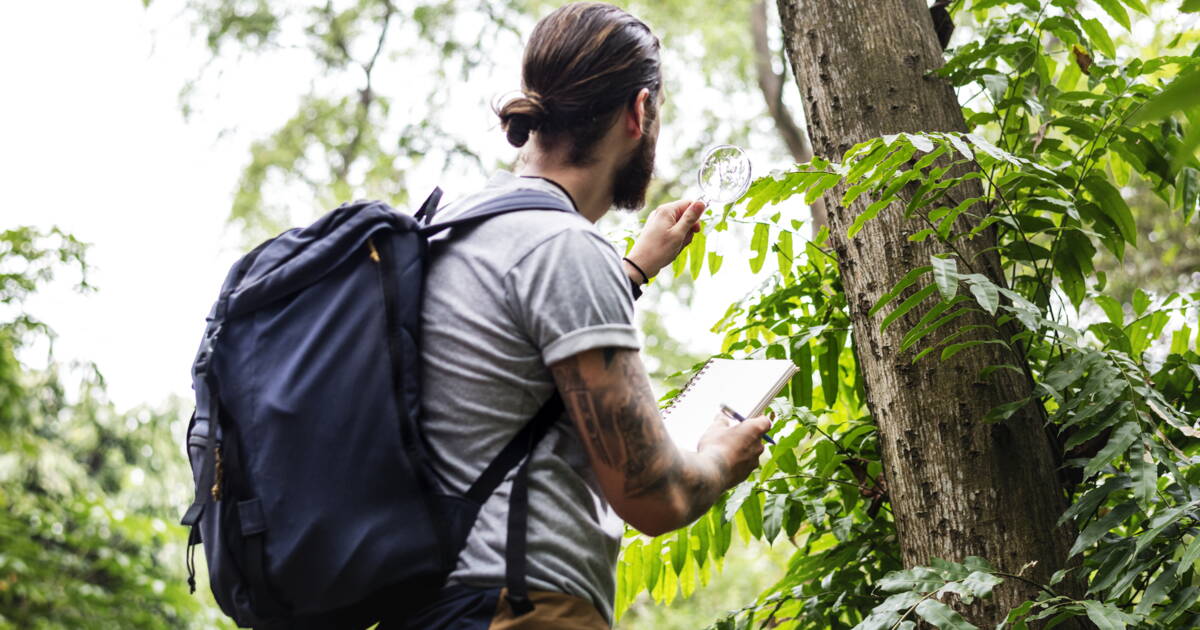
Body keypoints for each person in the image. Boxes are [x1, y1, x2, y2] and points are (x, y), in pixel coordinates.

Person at [401, 3, 769, 628]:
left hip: (426, 605)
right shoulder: (564, 250)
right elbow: (654, 497)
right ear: (639, 111)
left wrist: (633, 271)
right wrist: (717, 458)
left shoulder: (449, 229)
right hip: (524, 607)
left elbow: (511, 375)